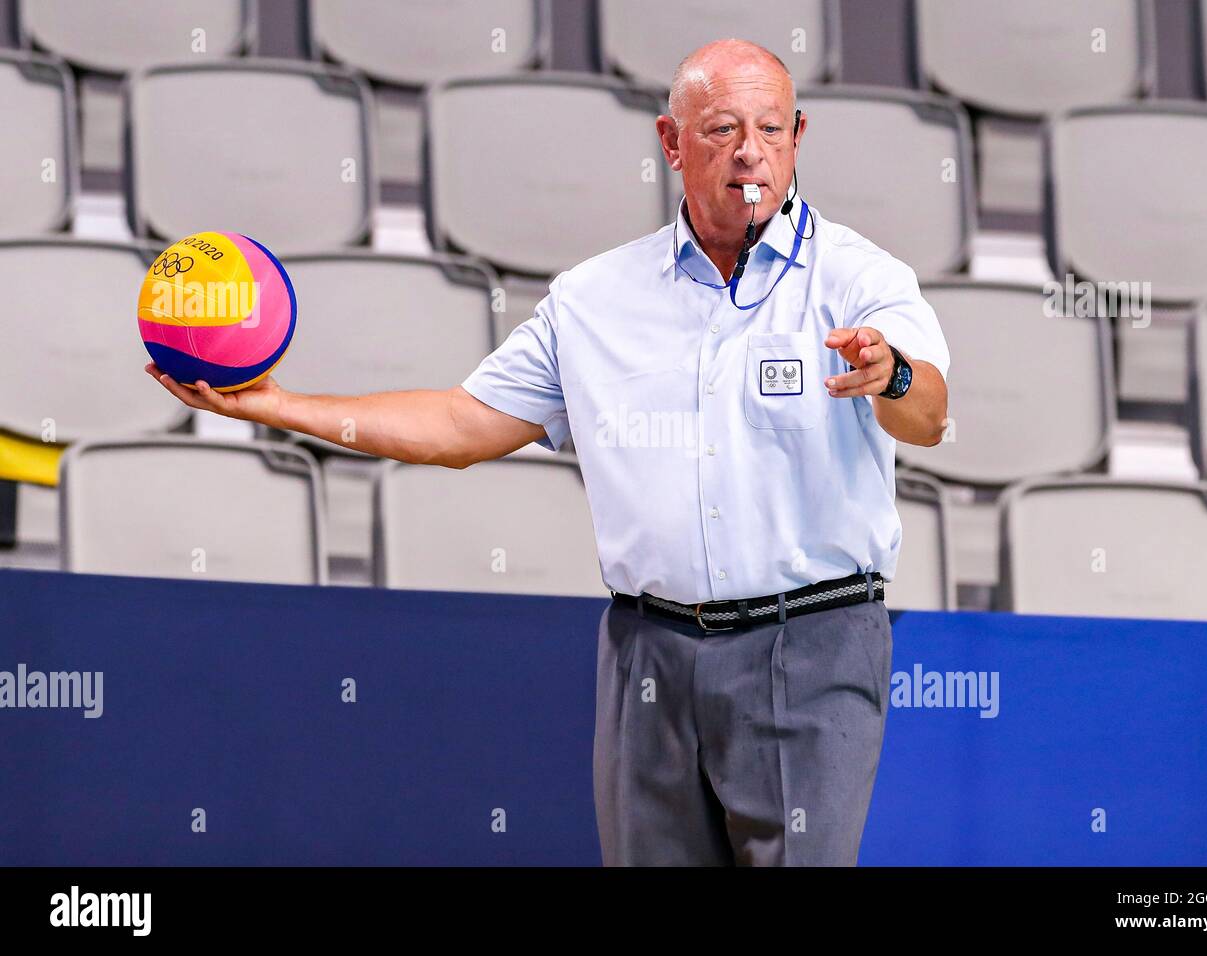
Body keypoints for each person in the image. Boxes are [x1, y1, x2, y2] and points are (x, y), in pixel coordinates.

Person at [147, 38, 950, 866]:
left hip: (810, 644)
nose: (750, 151)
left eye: (771, 129)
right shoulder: (593, 299)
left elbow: (929, 416)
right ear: (671, 143)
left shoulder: (860, 279)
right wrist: (277, 406)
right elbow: (459, 425)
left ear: (798, 137)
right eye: (721, 129)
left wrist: (891, 375)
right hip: (648, 653)